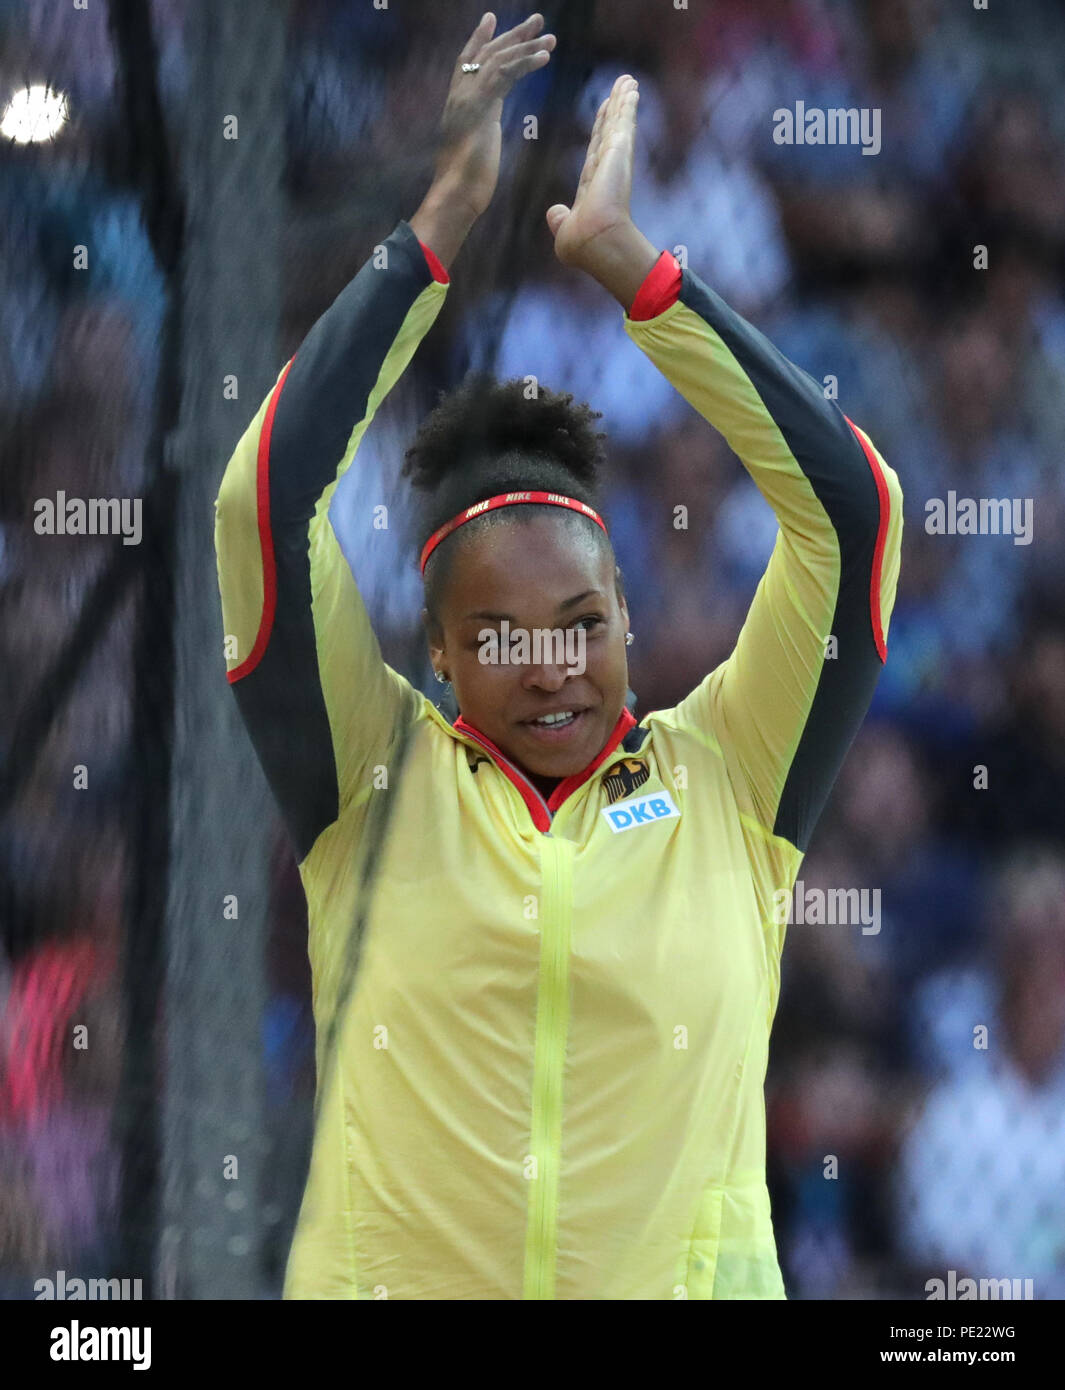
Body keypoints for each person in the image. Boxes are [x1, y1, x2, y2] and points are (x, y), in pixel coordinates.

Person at [213, 12, 903, 1300]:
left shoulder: (730, 778)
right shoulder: (372, 780)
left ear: (629, 624)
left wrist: (638, 272)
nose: (553, 666)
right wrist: (442, 225)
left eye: (583, 624)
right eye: (503, 636)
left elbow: (855, 522)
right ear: (438, 654)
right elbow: (262, 504)